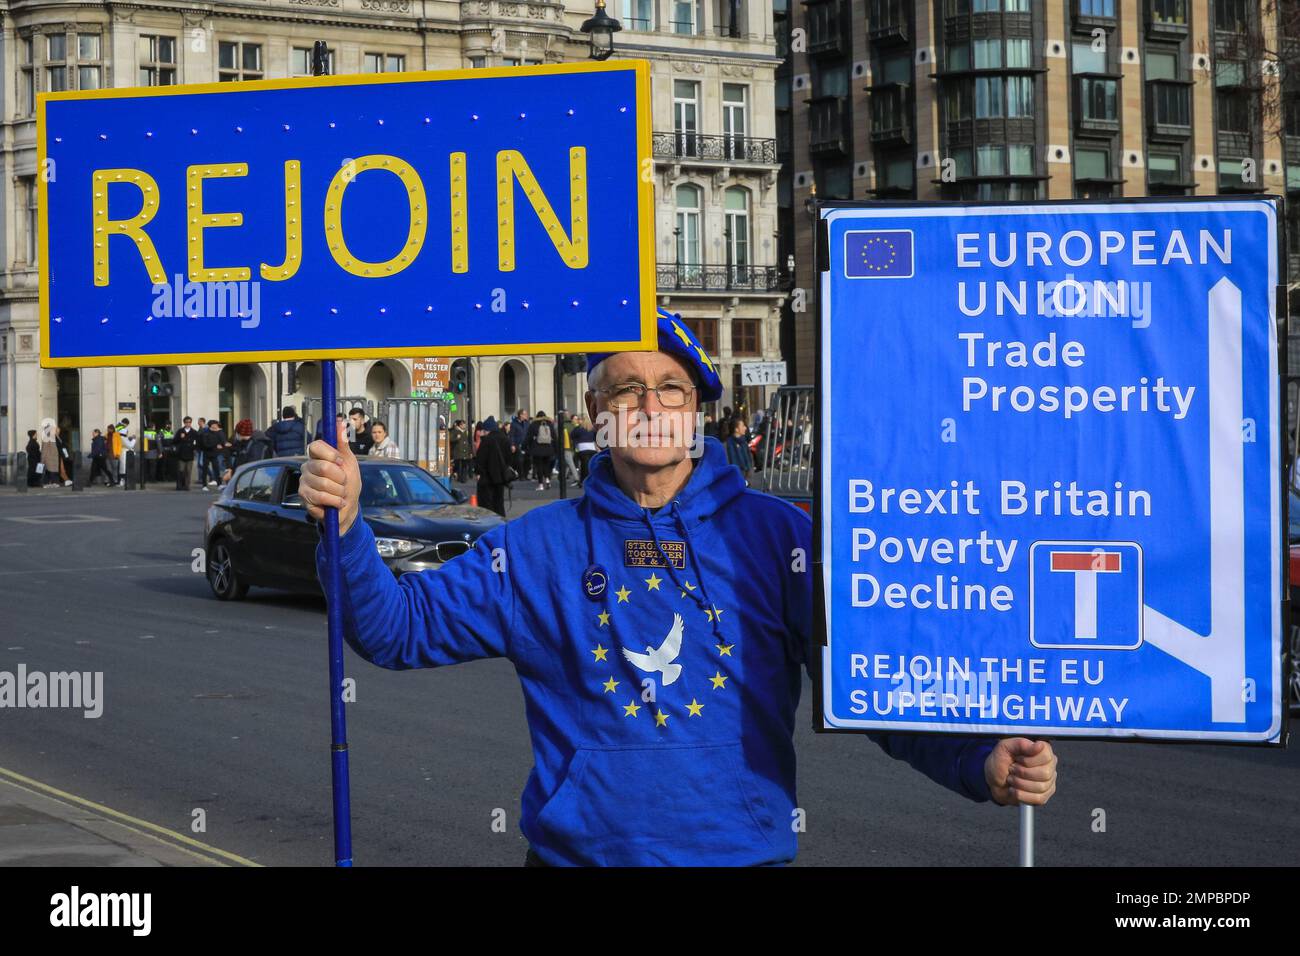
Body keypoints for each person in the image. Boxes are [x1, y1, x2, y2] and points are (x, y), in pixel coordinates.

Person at [299, 307, 1059, 866]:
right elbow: (396, 629)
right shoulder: (535, 546)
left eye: (671, 388)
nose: (651, 408)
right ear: (597, 413)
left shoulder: (777, 536)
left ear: (698, 409)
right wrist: (345, 526)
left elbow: (865, 682)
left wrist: (978, 759)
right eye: (627, 391)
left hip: (741, 859)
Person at [471, 415, 512, 517]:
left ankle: (490, 526)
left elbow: (480, 460)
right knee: (499, 503)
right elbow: (509, 457)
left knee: (487, 506)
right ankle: (501, 524)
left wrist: (478, 472)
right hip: (500, 477)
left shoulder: (487, 441)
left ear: (487, 430)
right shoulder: (504, 438)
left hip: (487, 478)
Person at [525, 410, 557, 492]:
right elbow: (554, 436)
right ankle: (547, 479)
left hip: (537, 448)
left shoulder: (533, 424)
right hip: (548, 448)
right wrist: (555, 448)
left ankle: (541, 484)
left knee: (539, 466)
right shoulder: (549, 424)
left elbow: (529, 437)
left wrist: (526, 446)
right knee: (546, 465)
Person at [724, 417, 753, 482]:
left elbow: (749, 458)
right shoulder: (728, 444)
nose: (745, 428)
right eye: (743, 426)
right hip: (734, 478)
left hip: (746, 477)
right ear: (736, 429)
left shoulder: (744, 441)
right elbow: (728, 461)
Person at [174, 417, 197, 490]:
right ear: (184, 423)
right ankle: (179, 485)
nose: (188, 423)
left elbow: (197, 443)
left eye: (189, 422)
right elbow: (174, 441)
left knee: (188, 471)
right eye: (186, 422)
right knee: (181, 471)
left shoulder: (194, 432)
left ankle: (187, 486)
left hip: (190, 454)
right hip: (181, 454)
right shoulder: (180, 431)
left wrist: (194, 448)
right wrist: (180, 438)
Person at [572, 416, 597, 486]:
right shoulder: (592, 429)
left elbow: (572, 436)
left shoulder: (578, 429)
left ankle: (583, 480)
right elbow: (596, 438)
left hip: (582, 449)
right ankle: (591, 480)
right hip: (592, 448)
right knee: (590, 465)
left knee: (583, 466)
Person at [508, 409, 530, 482]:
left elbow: (529, 433)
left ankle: (526, 475)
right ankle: (521, 475)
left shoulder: (527, 423)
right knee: (520, 460)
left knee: (528, 460)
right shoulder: (514, 424)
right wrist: (512, 445)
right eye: (525, 414)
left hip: (526, 444)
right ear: (520, 415)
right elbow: (511, 435)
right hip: (518, 444)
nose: (526, 415)